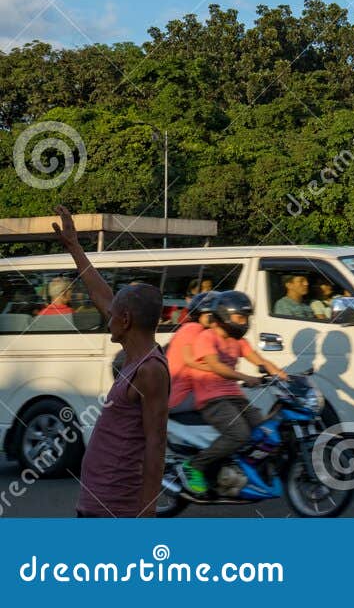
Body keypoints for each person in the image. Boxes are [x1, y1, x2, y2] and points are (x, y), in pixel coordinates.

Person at [51, 206, 168, 518]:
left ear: (126, 320)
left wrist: (147, 513)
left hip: (115, 510)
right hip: (98, 504)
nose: (106, 315)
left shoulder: (150, 370)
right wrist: (75, 248)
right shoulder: (135, 356)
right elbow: (102, 294)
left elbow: (156, 445)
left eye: (113, 313)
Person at [180, 290, 288, 495]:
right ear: (224, 315)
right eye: (240, 317)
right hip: (211, 398)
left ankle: (235, 470)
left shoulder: (237, 341)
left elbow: (259, 360)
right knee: (239, 434)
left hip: (235, 395)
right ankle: (196, 465)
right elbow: (216, 366)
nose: (244, 322)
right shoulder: (207, 337)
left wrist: (282, 374)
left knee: (264, 432)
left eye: (246, 318)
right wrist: (245, 377)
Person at [166, 292, 218, 414]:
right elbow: (189, 360)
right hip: (180, 398)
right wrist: (220, 369)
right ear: (198, 314)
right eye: (209, 315)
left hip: (178, 395)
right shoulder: (193, 329)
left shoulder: (193, 329)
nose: (213, 318)